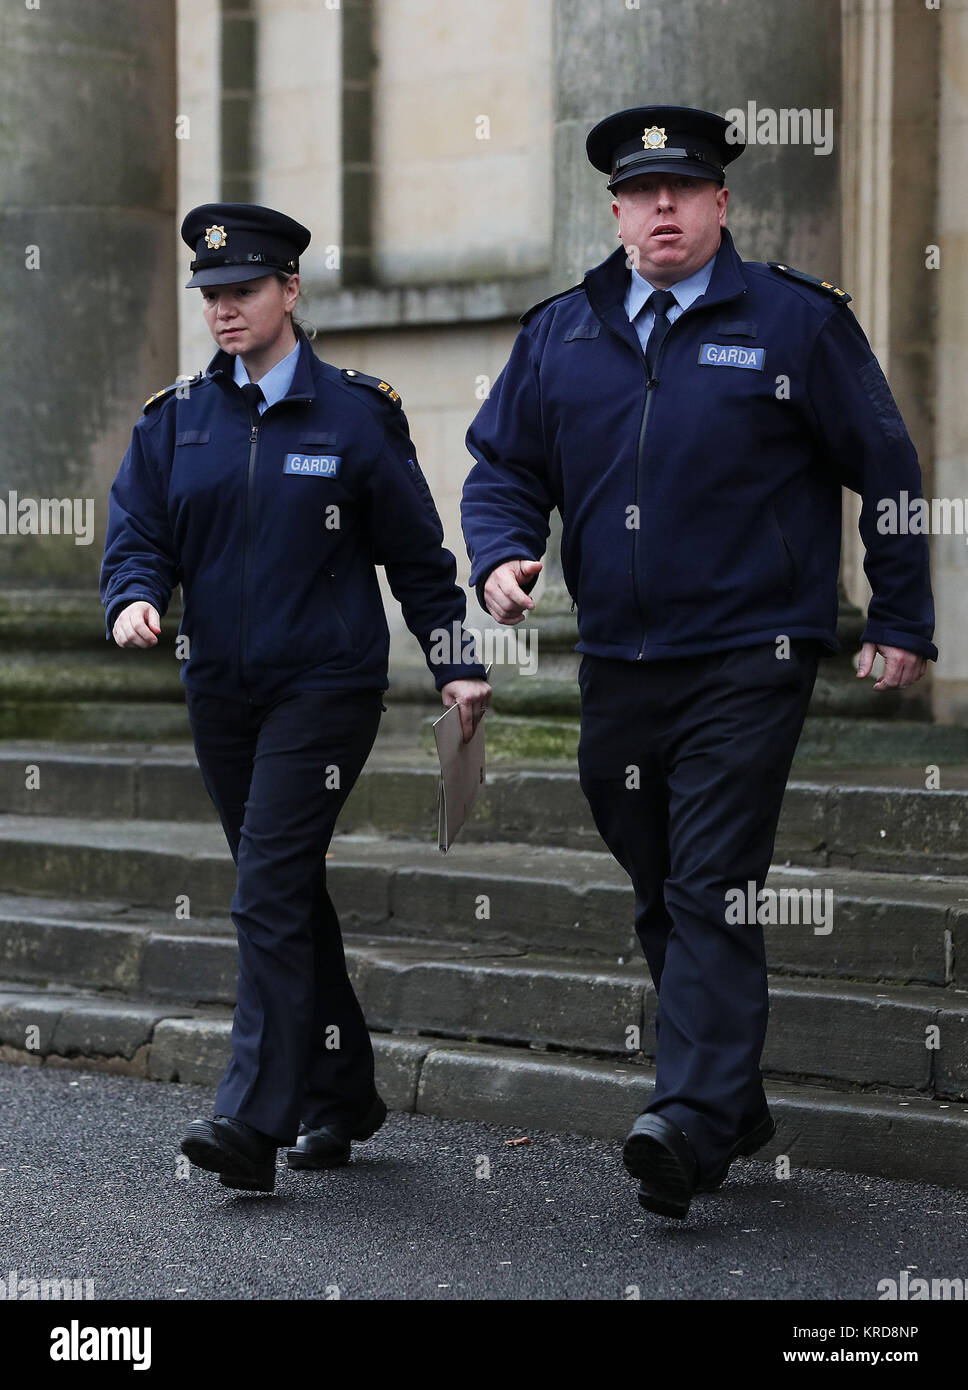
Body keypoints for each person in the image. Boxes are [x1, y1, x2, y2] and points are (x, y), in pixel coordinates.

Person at [460, 107, 937, 1219]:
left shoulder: (792, 321)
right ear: (616, 210)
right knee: (656, 876)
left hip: (749, 652)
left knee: (707, 876)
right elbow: (498, 464)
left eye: (684, 188)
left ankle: (681, 1116)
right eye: (642, 191)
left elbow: (888, 464)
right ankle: (732, 1098)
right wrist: (498, 554)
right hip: (619, 658)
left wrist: (899, 616)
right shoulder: (561, 333)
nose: (662, 207)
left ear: (721, 202)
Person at [101, 202, 490, 1193]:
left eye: (241, 292)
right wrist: (133, 596)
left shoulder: (355, 414)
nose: (224, 311)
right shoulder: (177, 418)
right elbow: (138, 528)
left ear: (289, 291)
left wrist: (452, 657)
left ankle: (252, 1116)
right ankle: (342, 1089)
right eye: (211, 296)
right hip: (219, 692)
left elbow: (416, 554)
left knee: (266, 889)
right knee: (284, 892)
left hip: (324, 687)